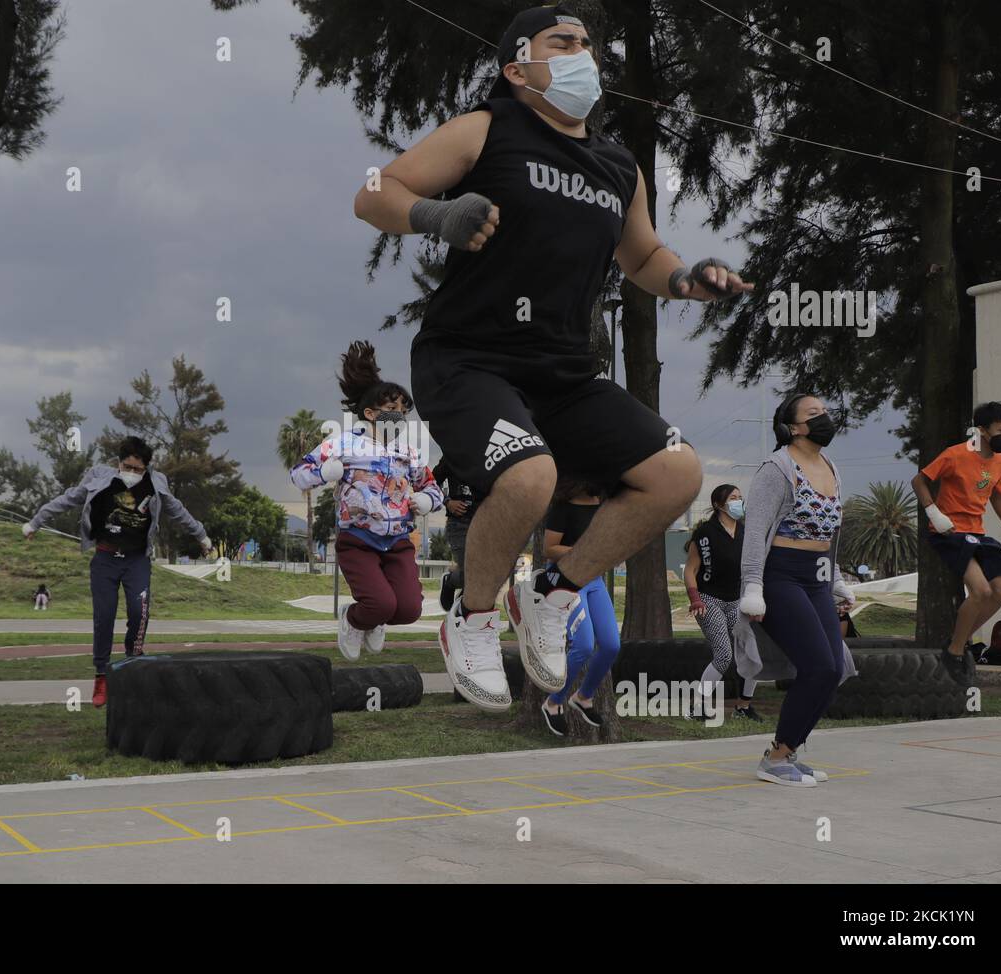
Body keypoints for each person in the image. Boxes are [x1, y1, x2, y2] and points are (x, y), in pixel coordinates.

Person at [353, 5, 749, 711]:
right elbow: (375, 192)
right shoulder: (488, 125)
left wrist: (688, 280)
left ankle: (551, 593)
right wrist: (437, 215)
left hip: (564, 370)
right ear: (517, 68)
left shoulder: (618, 165)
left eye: (588, 44)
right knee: (531, 477)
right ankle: (471, 619)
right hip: (469, 358)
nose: (582, 54)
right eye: (562, 42)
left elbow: (645, 256)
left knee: (676, 473)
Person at [23, 436, 211, 707]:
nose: (131, 473)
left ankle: (133, 658)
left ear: (146, 468)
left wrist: (202, 537)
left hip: (136, 561)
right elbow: (68, 499)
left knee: (139, 612)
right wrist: (35, 522)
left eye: (137, 469)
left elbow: (179, 512)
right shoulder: (100, 477)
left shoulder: (156, 483)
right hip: (105, 559)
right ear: (118, 463)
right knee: (104, 617)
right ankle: (101, 675)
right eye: (127, 467)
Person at [291, 342, 443, 660]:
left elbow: (432, 487)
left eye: (403, 413)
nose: (398, 418)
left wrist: (428, 501)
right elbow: (299, 474)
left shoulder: (409, 453)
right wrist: (325, 471)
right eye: (391, 411)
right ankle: (353, 618)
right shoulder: (344, 444)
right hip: (358, 540)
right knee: (381, 604)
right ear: (371, 413)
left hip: (398, 542)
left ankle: (373, 620)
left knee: (408, 611)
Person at [739, 393, 858, 787]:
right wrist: (753, 585)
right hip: (781, 575)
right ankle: (775, 758)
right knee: (817, 666)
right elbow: (755, 531)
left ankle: (788, 750)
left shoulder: (830, 466)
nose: (824, 418)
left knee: (834, 668)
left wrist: (837, 579)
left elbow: (830, 532)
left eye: (825, 411)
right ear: (793, 427)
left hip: (817, 576)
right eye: (813, 414)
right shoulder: (778, 467)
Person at [911, 401, 1001, 686]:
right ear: (983, 430)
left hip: (976, 532)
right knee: (981, 590)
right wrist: (933, 511)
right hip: (949, 531)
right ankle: (955, 651)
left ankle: (957, 641)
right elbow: (919, 480)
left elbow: (996, 495)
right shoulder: (955, 455)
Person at [537, 479, 619, 736]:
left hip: (594, 580)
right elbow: (549, 549)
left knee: (611, 645)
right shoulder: (563, 506)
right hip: (566, 580)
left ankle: (584, 697)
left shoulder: (602, 503)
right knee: (583, 645)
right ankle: (554, 702)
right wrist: (584, 551)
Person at [684, 484, 760, 721]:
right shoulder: (706, 532)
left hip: (737, 600)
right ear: (719, 504)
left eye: (740, 497)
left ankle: (743, 707)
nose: (739, 502)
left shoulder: (746, 533)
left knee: (754, 653)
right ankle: (698, 706)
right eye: (733, 498)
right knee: (724, 655)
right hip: (709, 600)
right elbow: (690, 569)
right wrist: (695, 599)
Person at [431, 454, 479, 611]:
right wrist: (447, 502)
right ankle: (451, 580)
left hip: (484, 523)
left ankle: (461, 613)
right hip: (459, 523)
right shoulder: (452, 454)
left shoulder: (491, 453)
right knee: (471, 574)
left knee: (483, 573)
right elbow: (430, 482)